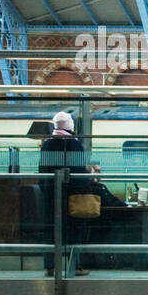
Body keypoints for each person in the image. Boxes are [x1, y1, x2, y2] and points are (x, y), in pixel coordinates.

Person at [38, 111, 89, 276]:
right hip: (72, 194)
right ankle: (75, 265)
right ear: (70, 126)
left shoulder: (47, 145)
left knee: (51, 229)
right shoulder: (75, 145)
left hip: (50, 195)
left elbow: (42, 172)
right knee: (75, 229)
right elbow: (80, 172)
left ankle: (50, 265)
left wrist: (45, 189)